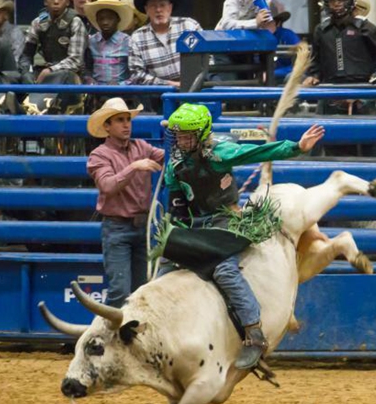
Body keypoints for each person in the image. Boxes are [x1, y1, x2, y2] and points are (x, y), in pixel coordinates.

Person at [162, 103, 325, 369]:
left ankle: (254, 332)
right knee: (166, 265)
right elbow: (176, 199)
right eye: (178, 135)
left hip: (224, 220)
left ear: (201, 134)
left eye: (186, 135)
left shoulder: (220, 153)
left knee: (225, 271)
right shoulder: (176, 163)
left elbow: (257, 151)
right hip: (194, 223)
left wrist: (296, 147)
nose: (181, 140)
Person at [87, 98, 165, 307]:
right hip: (117, 229)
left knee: (141, 291)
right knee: (120, 291)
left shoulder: (141, 146)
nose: (126, 124)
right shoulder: (99, 155)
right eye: (119, 120)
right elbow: (108, 186)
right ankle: (105, 336)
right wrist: (134, 167)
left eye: (128, 119)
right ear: (107, 126)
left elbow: (167, 157)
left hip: (143, 228)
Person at [302, 0, 376, 156]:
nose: (336, 4)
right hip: (331, 94)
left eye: (340, 0)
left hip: (362, 93)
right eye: (332, 1)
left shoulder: (366, 28)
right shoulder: (321, 30)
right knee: (332, 146)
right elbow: (315, 62)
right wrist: (313, 76)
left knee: (372, 145)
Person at [20, 0, 88, 114]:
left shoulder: (76, 22)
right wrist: (26, 72)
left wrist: (51, 70)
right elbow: (26, 55)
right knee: (11, 76)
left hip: (71, 75)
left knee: (63, 75)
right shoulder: (38, 22)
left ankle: (31, 111)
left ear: (67, 3)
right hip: (46, 72)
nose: (56, 2)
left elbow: (76, 60)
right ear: (46, 2)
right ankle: (4, 110)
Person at [128, 0, 201, 87]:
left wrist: (195, 82)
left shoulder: (189, 26)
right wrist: (170, 84)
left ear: (170, 8)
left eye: (162, 5)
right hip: (158, 94)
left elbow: (207, 58)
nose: (158, 10)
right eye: (153, 6)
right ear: (146, 10)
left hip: (195, 88)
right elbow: (137, 75)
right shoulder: (137, 37)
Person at [83, 0, 134, 85]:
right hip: (96, 91)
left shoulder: (128, 42)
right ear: (97, 21)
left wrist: (121, 85)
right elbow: (87, 67)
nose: (105, 22)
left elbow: (135, 72)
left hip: (121, 92)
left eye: (110, 18)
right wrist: (89, 80)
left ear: (118, 19)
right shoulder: (91, 41)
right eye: (101, 19)